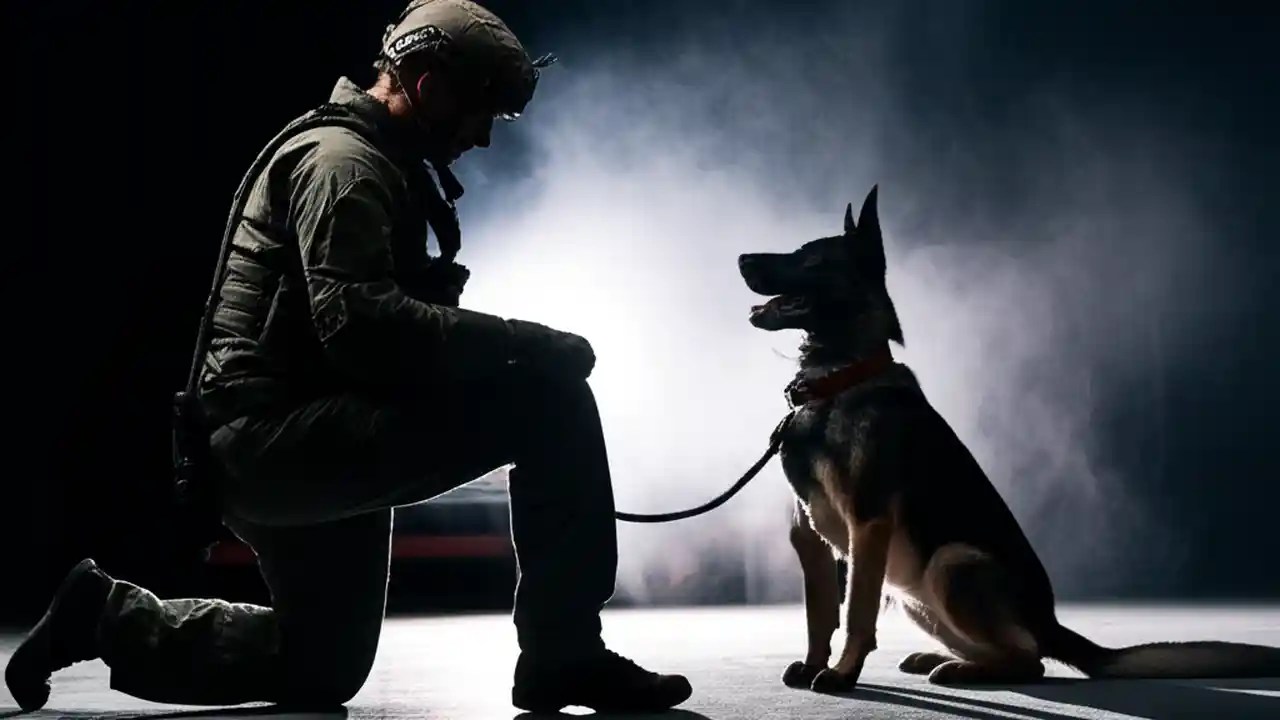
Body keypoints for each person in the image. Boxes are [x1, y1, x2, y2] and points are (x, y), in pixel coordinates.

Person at [5, 0, 693, 714]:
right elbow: (363, 329)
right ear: (428, 89)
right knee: (550, 401)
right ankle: (564, 656)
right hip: (281, 442)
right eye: (482, 111)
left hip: (292, 434)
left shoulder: (371, 159)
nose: (484, 137)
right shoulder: (346, 167)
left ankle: (103, 617)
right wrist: (526, 343)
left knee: (319, 667)